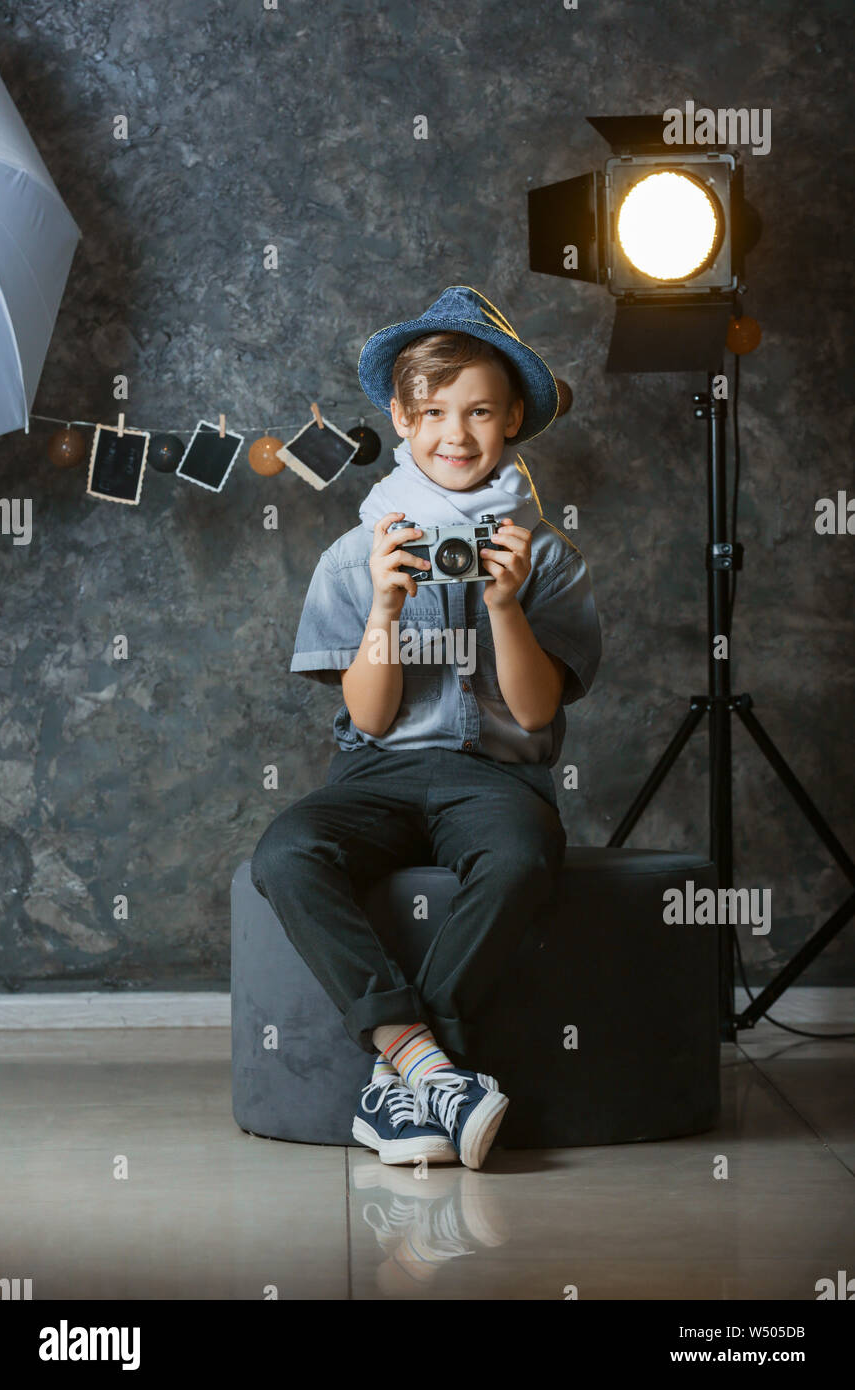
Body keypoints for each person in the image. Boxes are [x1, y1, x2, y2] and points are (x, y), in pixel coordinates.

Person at [251, 285, 601, 1170]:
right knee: (286, 852)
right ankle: (426, 1061)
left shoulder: (546, 556)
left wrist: (505, 605)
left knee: (522, 854)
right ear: (403, 421)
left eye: (481, 411)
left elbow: (534, 713)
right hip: (376, 775)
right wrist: (385, 603)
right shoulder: (356, 553)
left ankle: (403, 1074)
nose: (458, 433)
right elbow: (367, 716)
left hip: (495, 775)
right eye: (435, 412)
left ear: (514, 416)